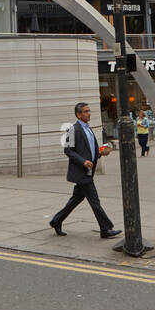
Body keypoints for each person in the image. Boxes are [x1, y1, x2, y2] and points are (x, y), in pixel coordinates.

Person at [49, 102, 120, 238]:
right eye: (86, 111)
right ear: (78, 114)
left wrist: (100, 153)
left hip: (88, 171)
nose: (89, 113)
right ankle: (105, 229)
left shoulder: (88, 128)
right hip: (81, 173)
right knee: (95, 201)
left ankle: (56, 221)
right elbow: (68, 150)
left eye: (89, 111)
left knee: (76, 199)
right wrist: (83, 161)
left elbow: (89, 148)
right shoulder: (73, 130)